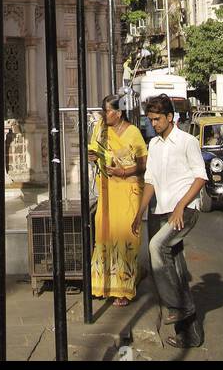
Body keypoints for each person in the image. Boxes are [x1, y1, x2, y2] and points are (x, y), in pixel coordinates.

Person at [133, 94, 207, 349]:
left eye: (157, 119)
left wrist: (180, 205)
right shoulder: (154, 145)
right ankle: (191, 334)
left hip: (185, 211)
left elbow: (200, 178)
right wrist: (139, 213)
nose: (153, 123)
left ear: (169, 117)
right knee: (175, 268)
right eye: (150, 119)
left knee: (157, 247)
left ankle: (175, 306)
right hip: (163, 211)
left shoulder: (187, 142)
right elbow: (150, 181)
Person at [87, 96, 148, 306]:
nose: (104, 115)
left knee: (125, 237)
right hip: (107, 189)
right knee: (104, 234)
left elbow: (143, 164)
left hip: (128, 189)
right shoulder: (101, 130)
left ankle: (123, 289)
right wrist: (94, 156)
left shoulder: (133, 133)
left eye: (107, 111)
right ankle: (103, 284)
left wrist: (123, 171)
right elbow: (93, 150)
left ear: (119, 113)